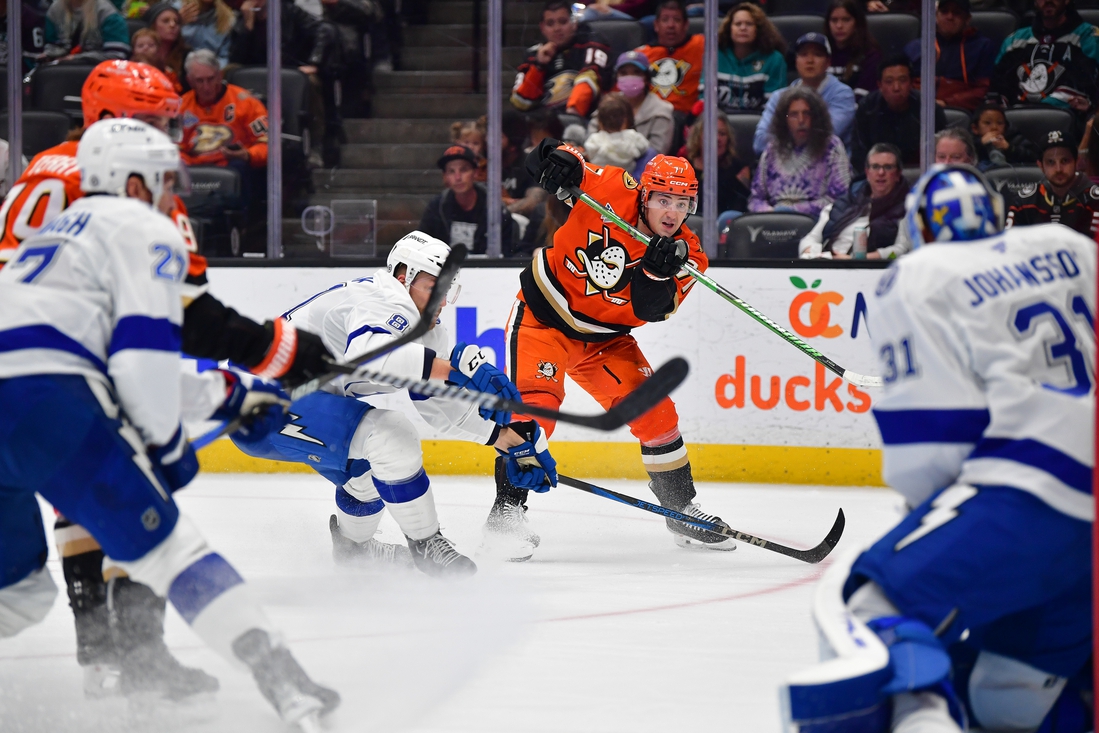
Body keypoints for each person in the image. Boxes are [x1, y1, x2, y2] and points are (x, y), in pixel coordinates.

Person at [0, 59, 337, 700]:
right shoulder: (137, 214)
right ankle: (155, 662)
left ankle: (104, 655)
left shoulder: (42, 186)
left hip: (34, 357)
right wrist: (270, 356)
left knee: (19, 587)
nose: (167, 138)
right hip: (55, 385)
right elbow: (168, 331)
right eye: (150, 123)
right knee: (154, 518)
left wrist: (227, 395)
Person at [782, 164, 1095, 733]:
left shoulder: (919, 275)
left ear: (921, 228)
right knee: (1005, 696)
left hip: (1035, 490)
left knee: (873, 611)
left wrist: (943, 524)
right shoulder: (1070, 246)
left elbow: (931, 446)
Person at [233, 232, 558, 576]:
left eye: (447, 289)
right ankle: (427, 543)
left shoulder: (428, 332)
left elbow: (442, 409)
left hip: (284, 404)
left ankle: (354, 551)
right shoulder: (380, 297)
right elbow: (370, 358)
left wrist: (508, 440)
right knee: (391, 435)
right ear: (404, 277)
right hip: (257, 399)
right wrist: (454, 370)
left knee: (371, 470)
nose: (442, 301)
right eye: (433, 287)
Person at [485, 147, 736, 561]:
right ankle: (505, 514)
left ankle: (680, 511)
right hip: (543, 320)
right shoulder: (611, 187)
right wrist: (558, 158)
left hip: (606, 341)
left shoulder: (688, 257)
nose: (672, 212)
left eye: (682, 203)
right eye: (663, 199)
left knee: (657, 414)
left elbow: (651, 309)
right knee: (535, 412)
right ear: (644, 195)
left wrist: (655, 272)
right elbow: (545, 159)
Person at [229, 0, 336, 169]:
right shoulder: (242, 20)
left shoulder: (290, 11)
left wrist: (314, 62)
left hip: (291, 70)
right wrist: (246, 28)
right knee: (229, 74)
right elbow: (236, 59)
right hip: (257, 74)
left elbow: (325, 30)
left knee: (310, 82)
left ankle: (316, 145)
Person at [179, 49, 268, 206]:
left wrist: (247, 155)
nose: (206, 87)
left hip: (231, 166)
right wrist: (184, 162)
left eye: (211, 79)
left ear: (220, 76)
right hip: (193, 167)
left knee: (240, 169)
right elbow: (173, 147)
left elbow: (269, 145)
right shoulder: (180, 106)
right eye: (199, 81)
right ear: (190, 81)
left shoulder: (246, 102)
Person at [750, 87, 852, 219]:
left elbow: (840, 198)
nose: (801, 120)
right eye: (794, 114)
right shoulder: (772, 148)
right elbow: (756, 198)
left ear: (816, 117)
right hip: (773, 218)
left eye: (807, 113)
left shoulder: (832, 147)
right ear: (784, 119)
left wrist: (792, 210)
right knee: (728, 218)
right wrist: (768, 211)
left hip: (814, 220)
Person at [799, 142, 909, 259]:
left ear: (898, 174)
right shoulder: (844, 203)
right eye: (875, 167)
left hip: (867, 267)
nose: (881, 173)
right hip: (827, 262)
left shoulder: (906, 209)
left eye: (888, 167)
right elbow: (809, 239)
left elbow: (901, 250)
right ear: (867, 172)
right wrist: (816, 255)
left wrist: (858, 260)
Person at [753, 33, 857, 155]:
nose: (810, 60)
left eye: (817, 54)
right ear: (796, 61)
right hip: (783, 164)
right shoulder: (779, 97)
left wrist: (784, 137)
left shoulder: (842, 94)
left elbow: (824, 138)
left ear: (828, 62)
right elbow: (759, 142)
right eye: (803, 54)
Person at [993, 0, 1099, 114]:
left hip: (1068, 116)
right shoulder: (1015, 40)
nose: (1048, 1)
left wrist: (1039, 110)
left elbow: (1086, 84)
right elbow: (998, 85)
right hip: (1016, 116)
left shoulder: (1088, 37)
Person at [510, 0, 611, 118]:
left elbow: (589, 79)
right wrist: (538, 66)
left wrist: (571, 116)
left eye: (563, 22)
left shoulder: (592, 43)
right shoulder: (533, 54)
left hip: (582, 119)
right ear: (542, 28)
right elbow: (521, 103)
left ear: (574, 23)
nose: (557, 28)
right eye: (550, 23)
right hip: (543, 122)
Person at [850, 54, 947, 170]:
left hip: (920, 173)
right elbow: (859, 156)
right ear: (880, 85)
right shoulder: (867, 108)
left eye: (902, 80)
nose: (896, 87)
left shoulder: (928, 108)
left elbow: (942, 153)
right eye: (889, 81)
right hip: (879, 174)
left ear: (911, 83)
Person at [418, 145, 516, 255]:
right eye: (451, 171)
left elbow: (507, 252)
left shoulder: (495, 208)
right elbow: (421, 246)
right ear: (445, 177)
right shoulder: (437, 207)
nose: (458, 177)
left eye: (464, 170)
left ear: (476, 172)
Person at [904, 0, 995, 111]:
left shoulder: (982, 46)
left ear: (967, 19)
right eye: (944, 11)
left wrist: (947, 102)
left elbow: (983, 90)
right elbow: (903, 85)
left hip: (961, 110)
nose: (950, 17)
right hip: (919, 109)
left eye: (956, 13)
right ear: (936, 16)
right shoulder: (915, 47)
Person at [1006, 129, 1099, 236]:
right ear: (1040, 166)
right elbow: (1009, 243)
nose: (1058, 169)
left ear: (1076, 161)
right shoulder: (1024, 202)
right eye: (1051, 162)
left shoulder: (1095, 200)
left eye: (1065, 161)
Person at [704, 2, 787, 114]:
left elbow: (774, 107)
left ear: (758, 29)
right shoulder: (714, 56)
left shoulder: (774, 59)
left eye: (749, 24)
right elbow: (704, 99)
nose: (743, 28)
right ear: (729, 28)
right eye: (738, 24)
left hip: (760, 121)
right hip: (720, 122)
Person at [589, 50, 676, 155]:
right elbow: (590, 140)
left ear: (646, 78)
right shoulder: (608, 103)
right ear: (617, 78)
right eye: (623, 73)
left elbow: (657, 152)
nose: (630, 77)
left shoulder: (661, 111)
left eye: (636, 72)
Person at [636, 0, 706, 116]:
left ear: (686, 25)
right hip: (650, 117)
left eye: (677, 20)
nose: (671, 25)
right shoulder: (641, 55)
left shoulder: (702, 45)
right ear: (656, 25)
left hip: (690, 118)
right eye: (665, 20)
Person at [685, 111, 750, 226]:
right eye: (711, 132)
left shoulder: (739, 170)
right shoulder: (684, 168)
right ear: (698, 136)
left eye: (722, 134)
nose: (717, 138)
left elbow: (742, 211)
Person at [583, 94, 654, 177]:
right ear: (625, 122)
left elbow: (589, 152)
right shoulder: (632, 136)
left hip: (600, 178)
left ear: (600, 123)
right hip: (627, 179)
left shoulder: (595, 139)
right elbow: (644, 147)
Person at [825, 0, 881, 100]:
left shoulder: (870, 54)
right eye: (834, 20)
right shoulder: (821, 52)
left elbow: (865, 97)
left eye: (846, 20)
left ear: (857, 23)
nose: (839, 26)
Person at [42, 0, 131, 60]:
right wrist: (48, 55)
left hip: (98, 73)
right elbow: (51, 44)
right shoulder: (55, 10)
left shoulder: (107, 13)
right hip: (61, 70)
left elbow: (117, 55)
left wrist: (77, 59)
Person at [970, 101, 1039, 169]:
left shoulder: (1015, 138)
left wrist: (1009, 148)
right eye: (987, 123)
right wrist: (980, 143)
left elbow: (1033, 157)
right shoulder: (971, 141)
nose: (994, 127)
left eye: (1000, 123)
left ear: (1006, 126)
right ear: (975, 128)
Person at [144, 3, 191, 93]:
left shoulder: (187, 56)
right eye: (166, 21)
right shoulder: (143, 52)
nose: (172, 25)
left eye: (176, 22)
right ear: (153, 26)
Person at [178, 0, 235, 68]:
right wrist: (178, 22)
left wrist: (214, 70)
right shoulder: (178, 9)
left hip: (210, 68)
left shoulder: (227, 19)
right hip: (179, 63)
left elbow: (223, 57)